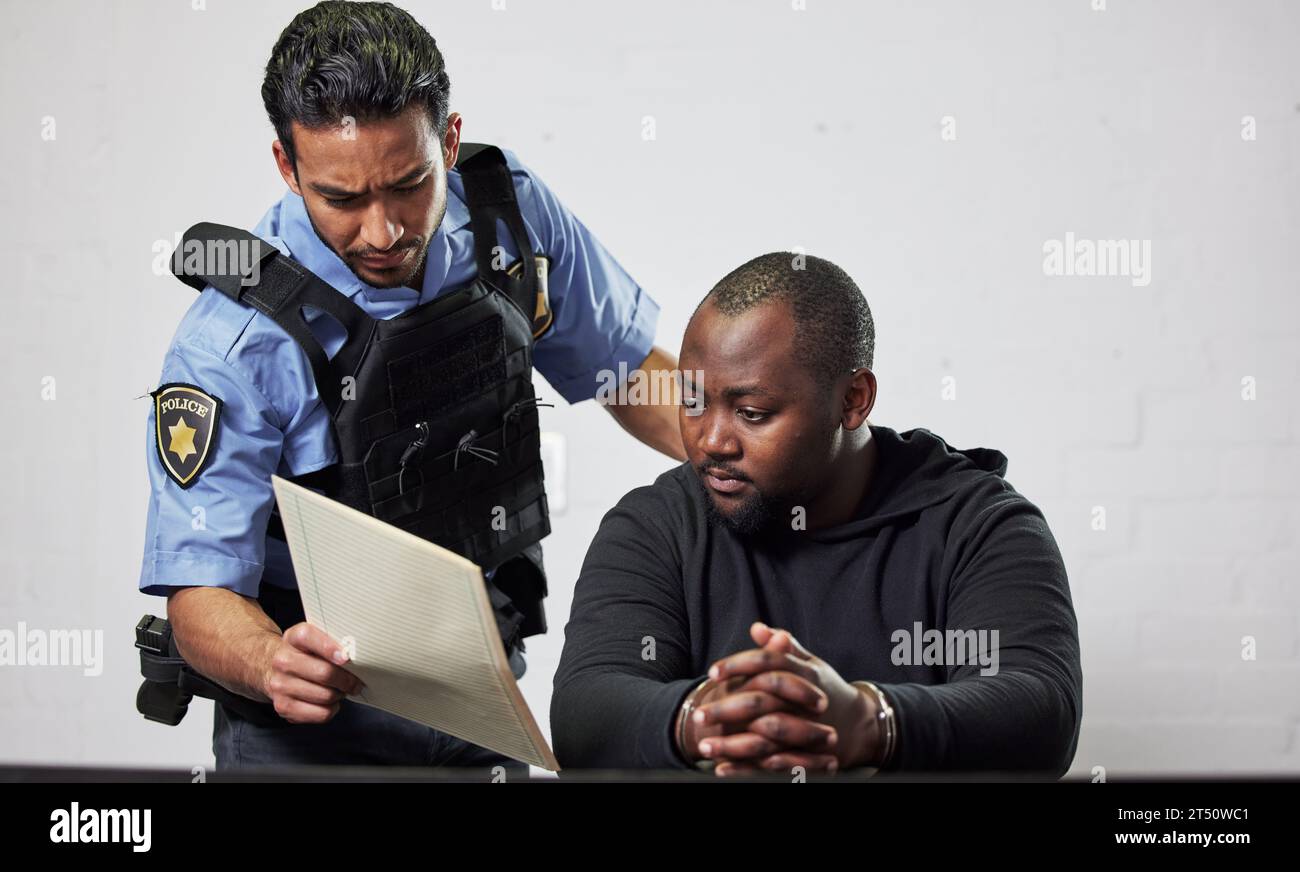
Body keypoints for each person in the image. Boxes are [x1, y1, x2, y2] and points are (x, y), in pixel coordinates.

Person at [139, 0, 684, 770]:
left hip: (482, 699)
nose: (383, 231)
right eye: (342, 198)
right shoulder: (231, 345)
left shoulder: (507, 220)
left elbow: (631, 373)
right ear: (286, 167)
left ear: (449, 140)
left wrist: (761, 450)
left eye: (407, 184)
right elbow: (198, 595)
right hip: (311, 738)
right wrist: (271, 662)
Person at [551, 252, 1083, 777]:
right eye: (692, 402)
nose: (710, 441)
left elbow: (1040, 709)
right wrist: (706, 718)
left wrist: (869, 722)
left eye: (751, 413)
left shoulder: (977, 525)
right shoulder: (655, 525)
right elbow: (585, 714)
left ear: (853, 400)